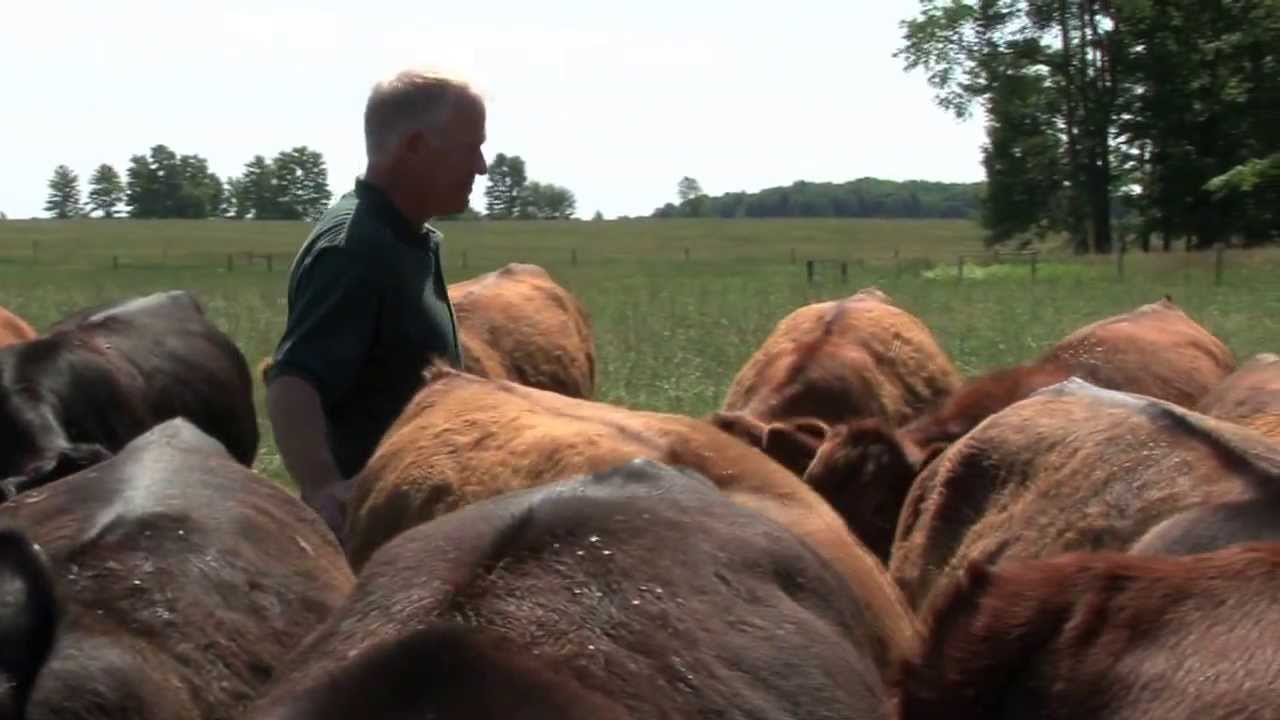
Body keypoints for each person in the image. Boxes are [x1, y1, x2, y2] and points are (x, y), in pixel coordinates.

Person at [264, 69, 488, 539]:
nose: (482, 167)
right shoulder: (356, 249)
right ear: (414, 147)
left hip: (410, 519)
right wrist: (324, 489)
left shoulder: (402, 236)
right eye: (470, 148)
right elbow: (293, 381)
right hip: (378, 533)